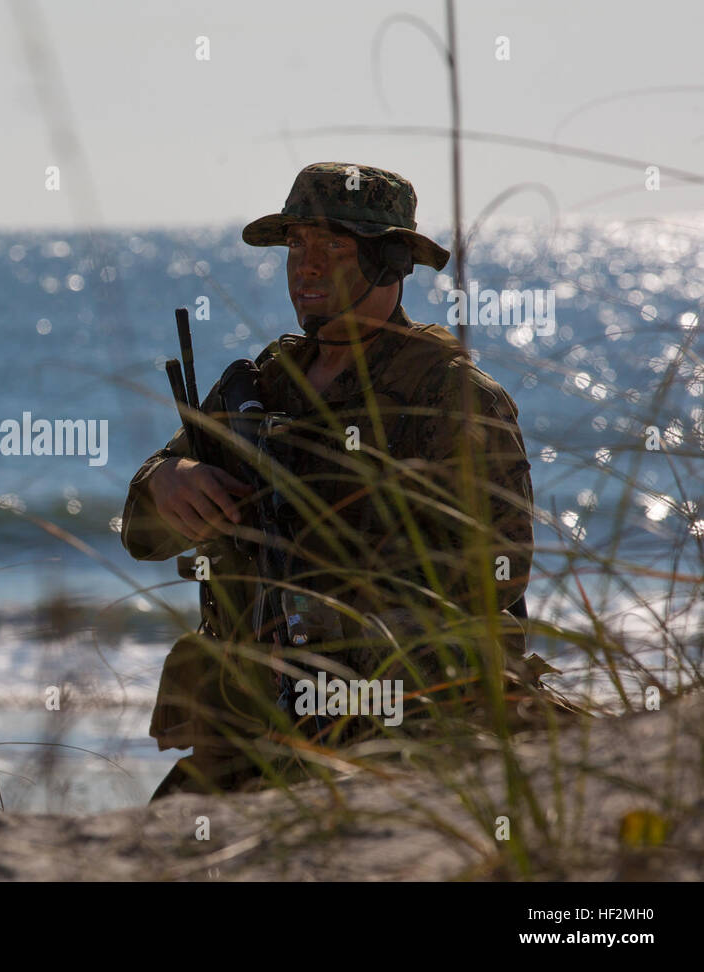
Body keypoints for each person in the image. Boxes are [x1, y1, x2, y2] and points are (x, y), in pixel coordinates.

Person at [122, 163, 550, 800]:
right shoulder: (260, 390)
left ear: (388, 261)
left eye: (334, 247)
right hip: (259, 725)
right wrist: (168, 480)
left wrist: (327, 611)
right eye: (297, 245)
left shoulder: (450, 397)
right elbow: (141, 536)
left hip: (403, 727)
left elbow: (495, 580)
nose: (307, 266)